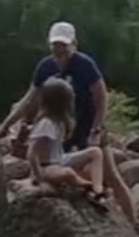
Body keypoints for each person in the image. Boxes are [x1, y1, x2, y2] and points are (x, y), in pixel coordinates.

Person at [0, 21, 139, 230]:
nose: (59, 49)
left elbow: (101, 98)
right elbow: (29, 99)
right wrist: (5, 126)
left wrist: (96, 129)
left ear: (74, 44)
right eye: (55, 44)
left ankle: (134, 224)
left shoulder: (84, 65)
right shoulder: (45, 67)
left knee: (112, 175)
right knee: (62, 172)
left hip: (89, 124)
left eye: (63, 44)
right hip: (61, 130)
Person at [27, 78, 109, 207]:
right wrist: (40, 179)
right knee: (68, 173)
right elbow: (32, 154)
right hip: (46, 167)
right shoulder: (46, 123)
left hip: (59, 160)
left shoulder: (57, 122)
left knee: (95, 152)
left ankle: (97, 190)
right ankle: (85, 184)